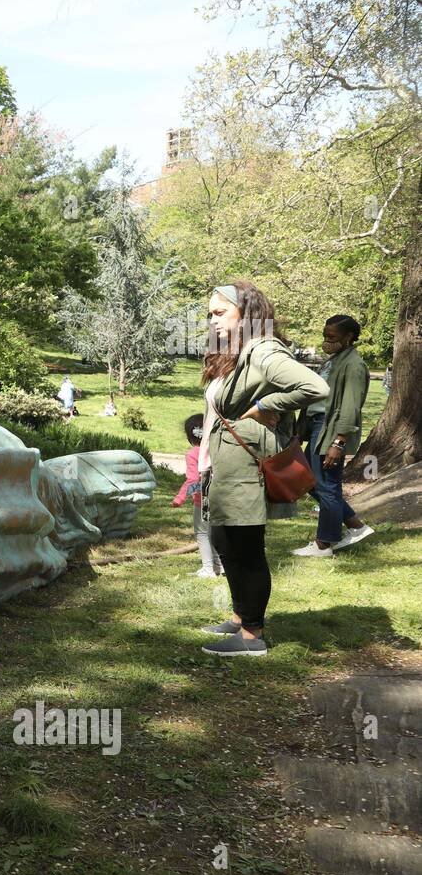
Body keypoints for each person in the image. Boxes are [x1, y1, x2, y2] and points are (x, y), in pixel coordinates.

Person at [198, 281, 328, 657]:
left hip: (248, 466)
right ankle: (241, 617)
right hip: (229, 464)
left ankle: (252, 637)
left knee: (245, 546)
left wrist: (264, 405)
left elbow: (313, 386)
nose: (213, 320)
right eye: (210, 313)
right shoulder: (236, 351)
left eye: (220, 312)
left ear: (247, 314)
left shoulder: (264, 349)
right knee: (225, 540)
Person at [291, 314, 373, 556]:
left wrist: (339, 442)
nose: (327, 341)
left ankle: (324, 543)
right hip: (317, 426)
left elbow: (351, 406)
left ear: (348, 337)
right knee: (308, 481)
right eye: (325, 335)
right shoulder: (333, 361)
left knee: (327, 486)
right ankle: (355, 525)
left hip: (331, 431)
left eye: (332, 337)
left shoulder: (354, 365)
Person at [172, 413, 223, 577]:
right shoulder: (218, 449)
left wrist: (179, 498)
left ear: (190, 436)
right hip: (222, 498)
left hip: (203, 501)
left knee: (202, 534)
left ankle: (208, 569)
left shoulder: (194, 453)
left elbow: (193, 480)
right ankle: (220, 566)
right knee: (215, 534)